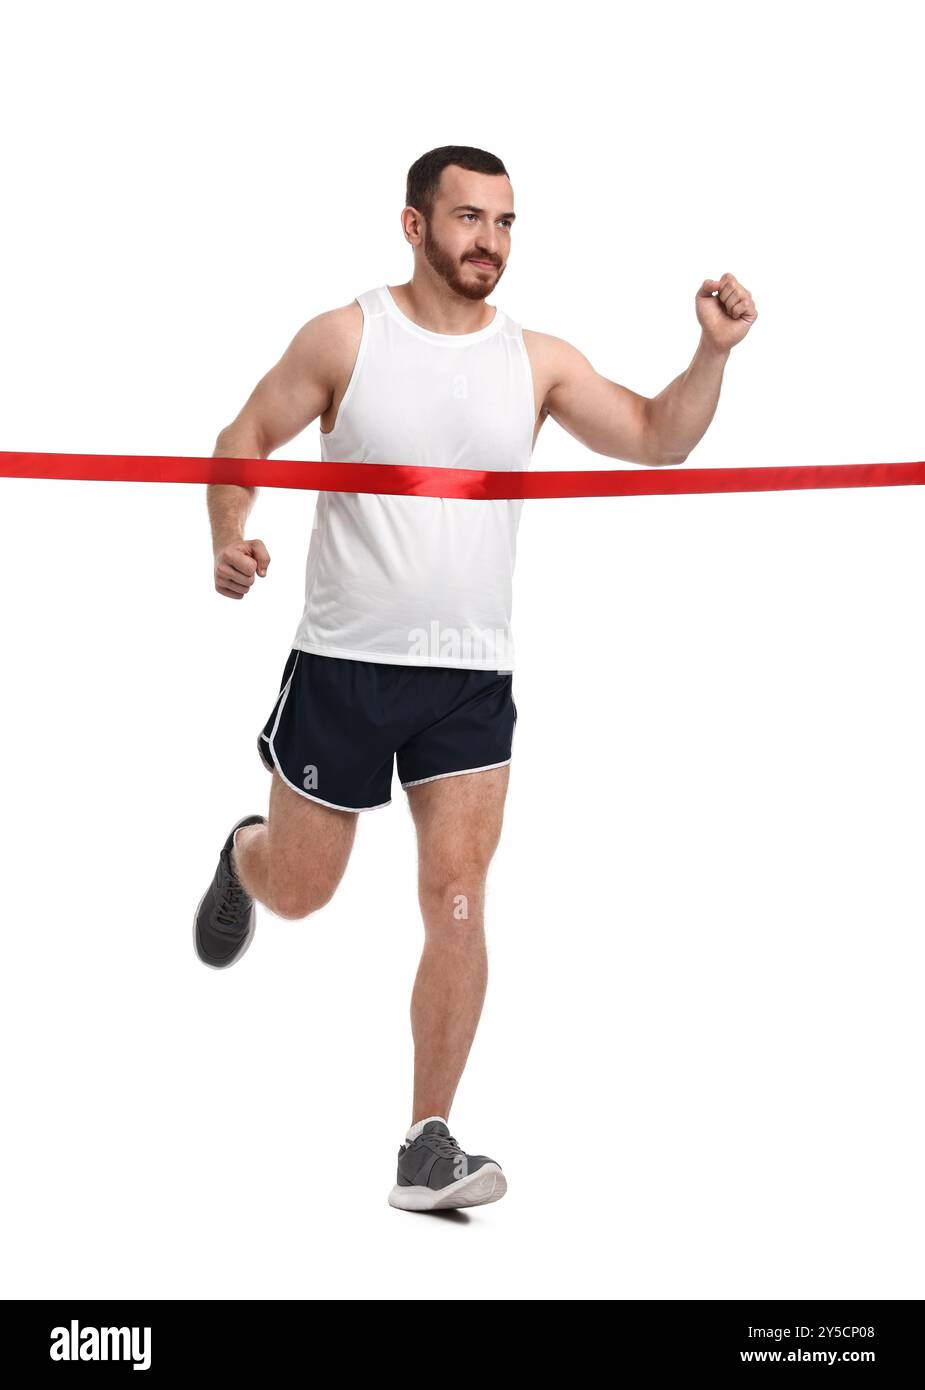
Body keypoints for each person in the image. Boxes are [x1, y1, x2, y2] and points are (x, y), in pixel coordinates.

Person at [194, 144, 757, 1212]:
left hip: (467, 677)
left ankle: (426, 1141)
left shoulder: (534, 361)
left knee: (455, 896)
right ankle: (241, 853)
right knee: (304, 890)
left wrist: (711, 353)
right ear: (414, 227)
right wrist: (231, 533)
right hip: (345, 665)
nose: (485, 241)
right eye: (465, 219)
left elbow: (654, 437)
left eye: (502, 222)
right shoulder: (345, 337)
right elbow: (244, 438)